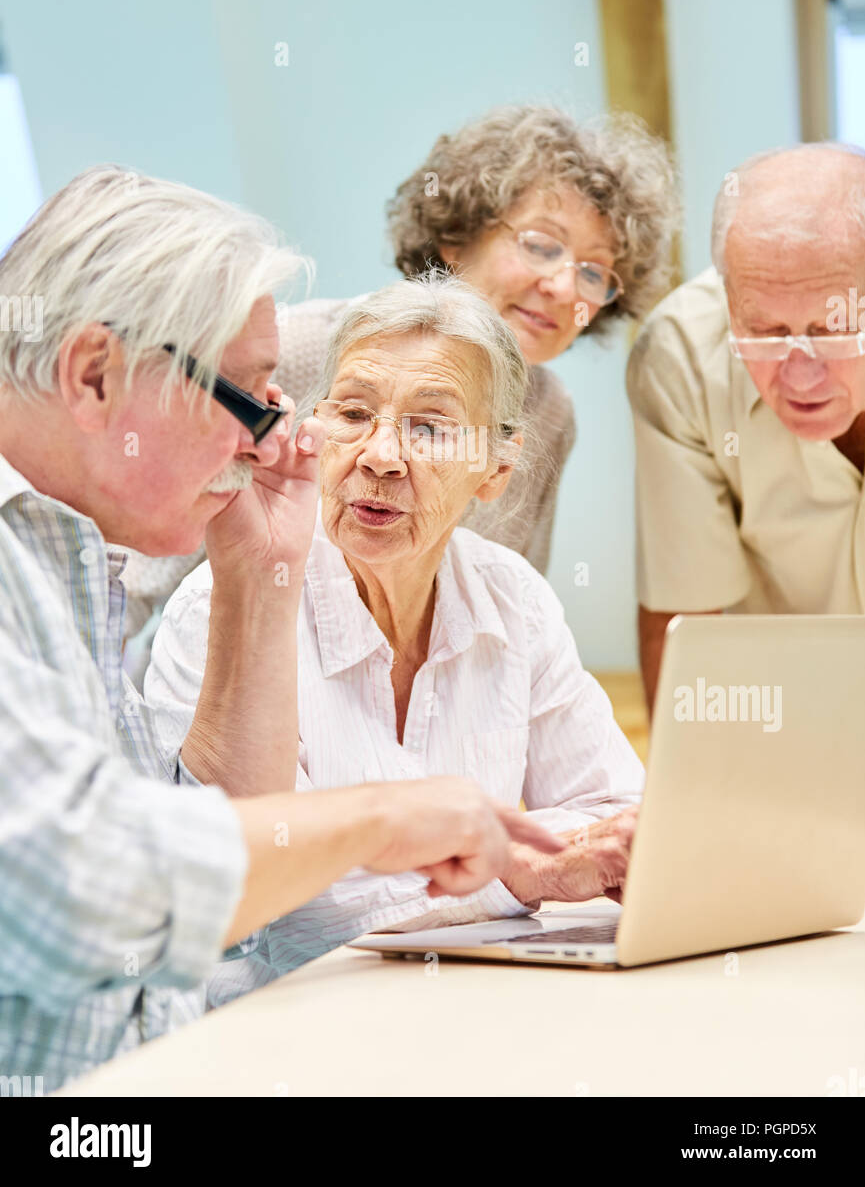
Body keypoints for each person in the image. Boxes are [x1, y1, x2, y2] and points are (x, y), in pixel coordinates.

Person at [0, 166, 563, 1092]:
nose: (269, 442)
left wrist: (261, 576)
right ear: (94, 374)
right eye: (249, 401)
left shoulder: (69, 556)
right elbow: (87, 889)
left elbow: (221, 866)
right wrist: (384, 815)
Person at [145, 274, 643, 1003]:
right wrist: (514, 867)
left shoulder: (514, 599)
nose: (380, 456)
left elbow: (614, 816)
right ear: (315, 429)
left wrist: (540, 859)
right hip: (287, 1020)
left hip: (478, 1003)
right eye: (352, 412)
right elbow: (289, 893)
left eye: (430, 428)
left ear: (496, 469)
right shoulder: (226, 605)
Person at [122, 104, 678, 642]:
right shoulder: (295, 349)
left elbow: (508, 607)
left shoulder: (548, 411)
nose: (563, 287)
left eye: (594, 272)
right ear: (456, 238)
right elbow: (132, 581)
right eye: (541, 245)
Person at [626, 142, 865, 710]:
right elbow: (684, 620)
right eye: (766, 330)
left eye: (834, 329)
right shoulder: (683, 351)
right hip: (791, 707)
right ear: (729, 298)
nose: (802, 375)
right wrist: (685, 796)